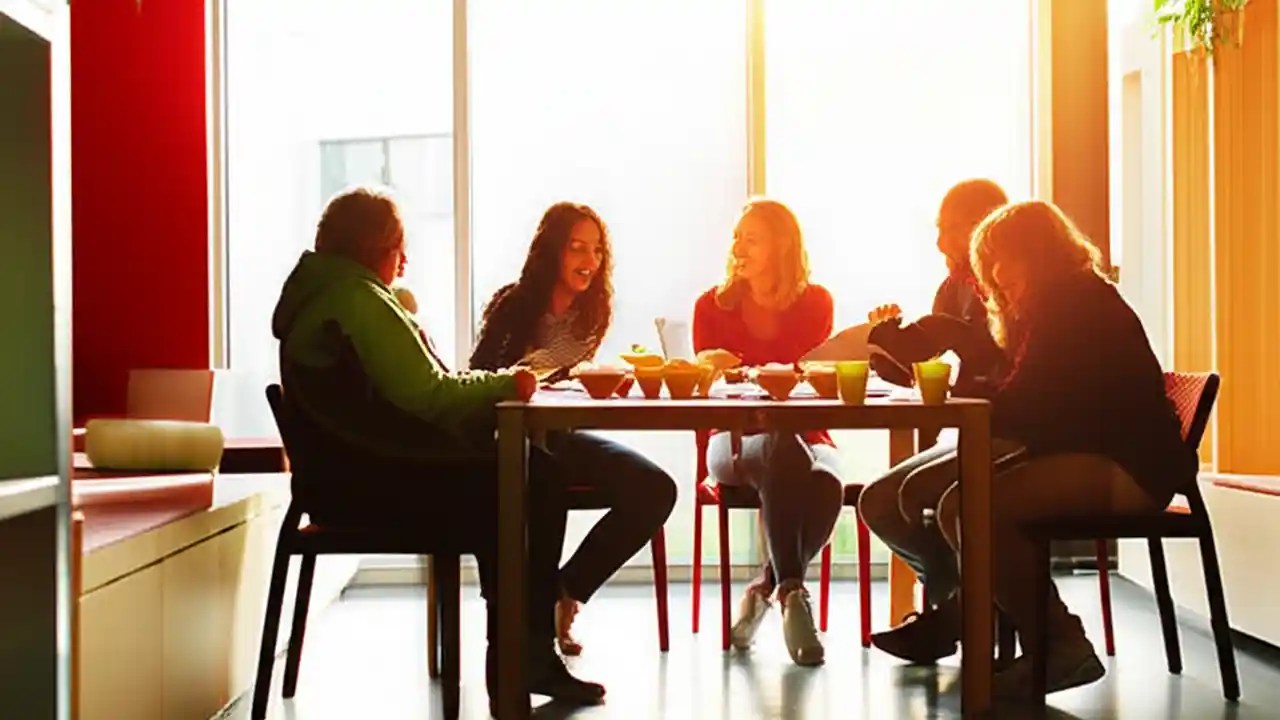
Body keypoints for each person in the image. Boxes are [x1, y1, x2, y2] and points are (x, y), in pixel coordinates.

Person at [271, 187, 604, 708]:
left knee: (519, 472)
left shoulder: (323, 295)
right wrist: (503, 384)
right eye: (398, 246)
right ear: (375, 246)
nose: (404, 261)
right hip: (376, 484)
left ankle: (518, 652)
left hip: (345, 478)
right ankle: (525, 654)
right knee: (535, 476)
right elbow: (429, 394)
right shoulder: (357, 299)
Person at [470, 201, 677, 656]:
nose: (589, 261)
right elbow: (480, 375)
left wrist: (602, 384)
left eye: (597, 250)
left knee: (657, 488)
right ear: (552, 252)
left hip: (562, 435)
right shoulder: (515, 304)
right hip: (512, 441)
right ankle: (535, 623)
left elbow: (568, 380)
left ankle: (567, 591)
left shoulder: (592, 313)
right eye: (577, 248)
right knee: (548, 481)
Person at [857, 179, 1026, 663]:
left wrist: (953, 337)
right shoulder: (952, 287)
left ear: (986, 228)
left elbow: (1016, 368)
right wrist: (886, 349)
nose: (940, 242)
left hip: (1012, 431)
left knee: (912, 495)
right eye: (940, 229)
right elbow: (922, 375)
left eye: (952, 229)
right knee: (879, 502)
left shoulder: (1015, 290)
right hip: (975, 429)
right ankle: (964, 606)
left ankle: (960, 613)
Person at [692, 198, 842, 666]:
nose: (738, 246)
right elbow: (707, 384)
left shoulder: (815, 303)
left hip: (807, 435)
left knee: (827, 479)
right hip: (730, 439)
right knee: (784, 450)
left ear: (782, 246)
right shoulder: (710, 307)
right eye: (737, 236)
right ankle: (794, 595)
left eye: (751, 238)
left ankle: (766, 586)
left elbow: (812, 374)